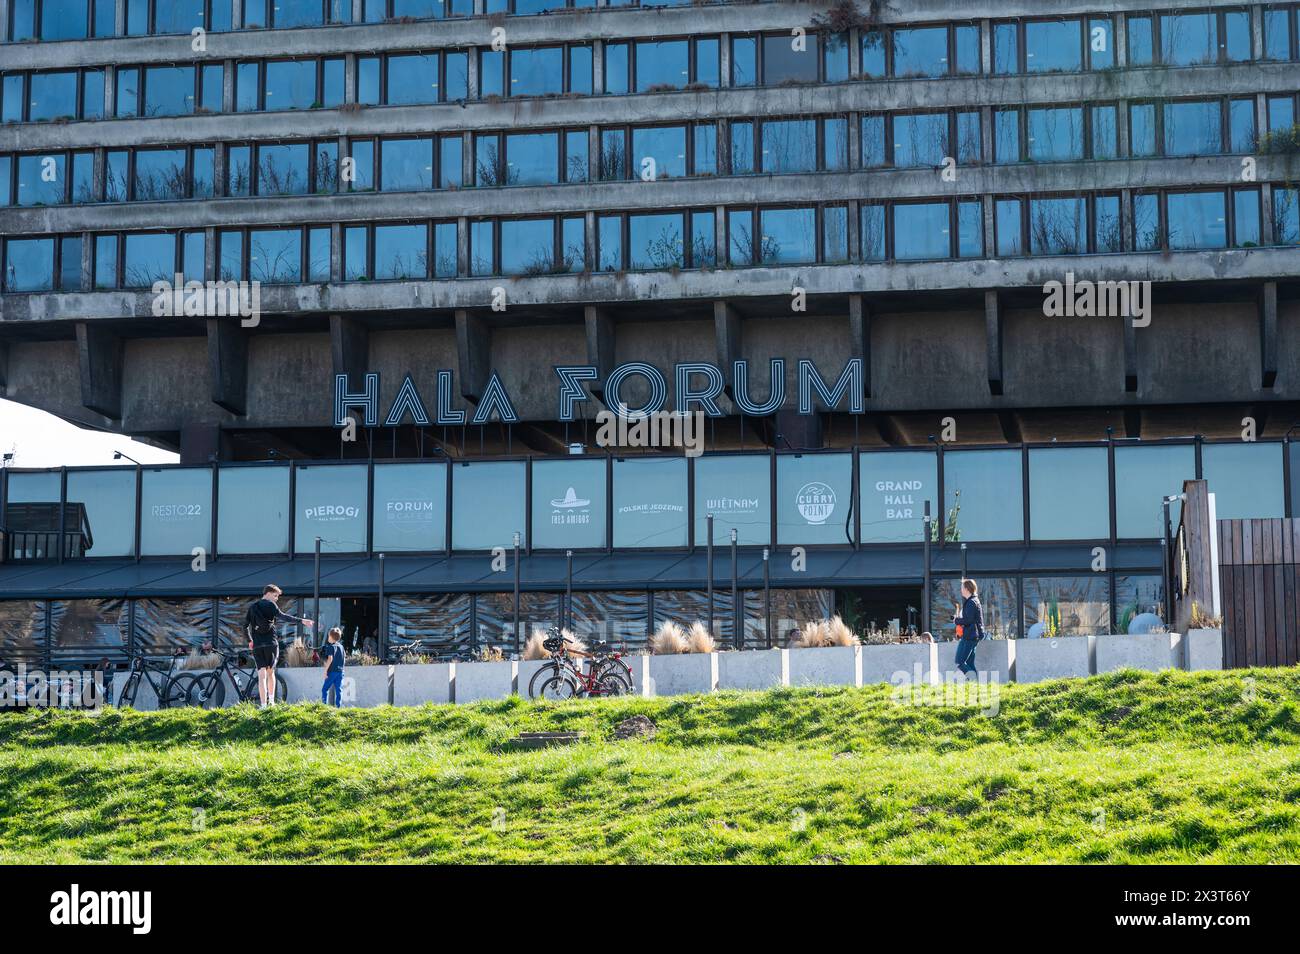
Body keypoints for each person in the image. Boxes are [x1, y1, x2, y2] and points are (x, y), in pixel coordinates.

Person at [245, 584, 314, 709]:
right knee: (271, 673)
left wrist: (250, 640)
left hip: (257, 645)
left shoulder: (252, 607)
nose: (276, 599)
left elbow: (244, 626)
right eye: (275, 596)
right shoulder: (271, 605)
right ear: (268, 593)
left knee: (261, 676)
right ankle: (271, 702)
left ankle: (263, 705)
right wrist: (302, 621)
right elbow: (284, 617)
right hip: (271, 643)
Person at [952, 579, 985, 677]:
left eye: (962, 588)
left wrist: (956, 621)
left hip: (970, 635)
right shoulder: (974, 601)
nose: (961, 590)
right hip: (973, 635)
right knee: (970, 663)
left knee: (960, 661)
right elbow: (970, 619)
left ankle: (973, 681)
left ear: (967, 589)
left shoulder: (971, 602)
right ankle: (976, 685)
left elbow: (968, 620)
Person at [321, 627, 344, 708]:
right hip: (340, 671)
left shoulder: (330, 647)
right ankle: (338, 707)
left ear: (330, 637)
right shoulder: (341, 647)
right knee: (339, 690)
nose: (328, 638)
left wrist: (325, 671)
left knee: (324, 689)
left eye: (328, 636)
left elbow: (330, 659)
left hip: (332, 672)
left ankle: (323, 706)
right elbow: (343, 659)